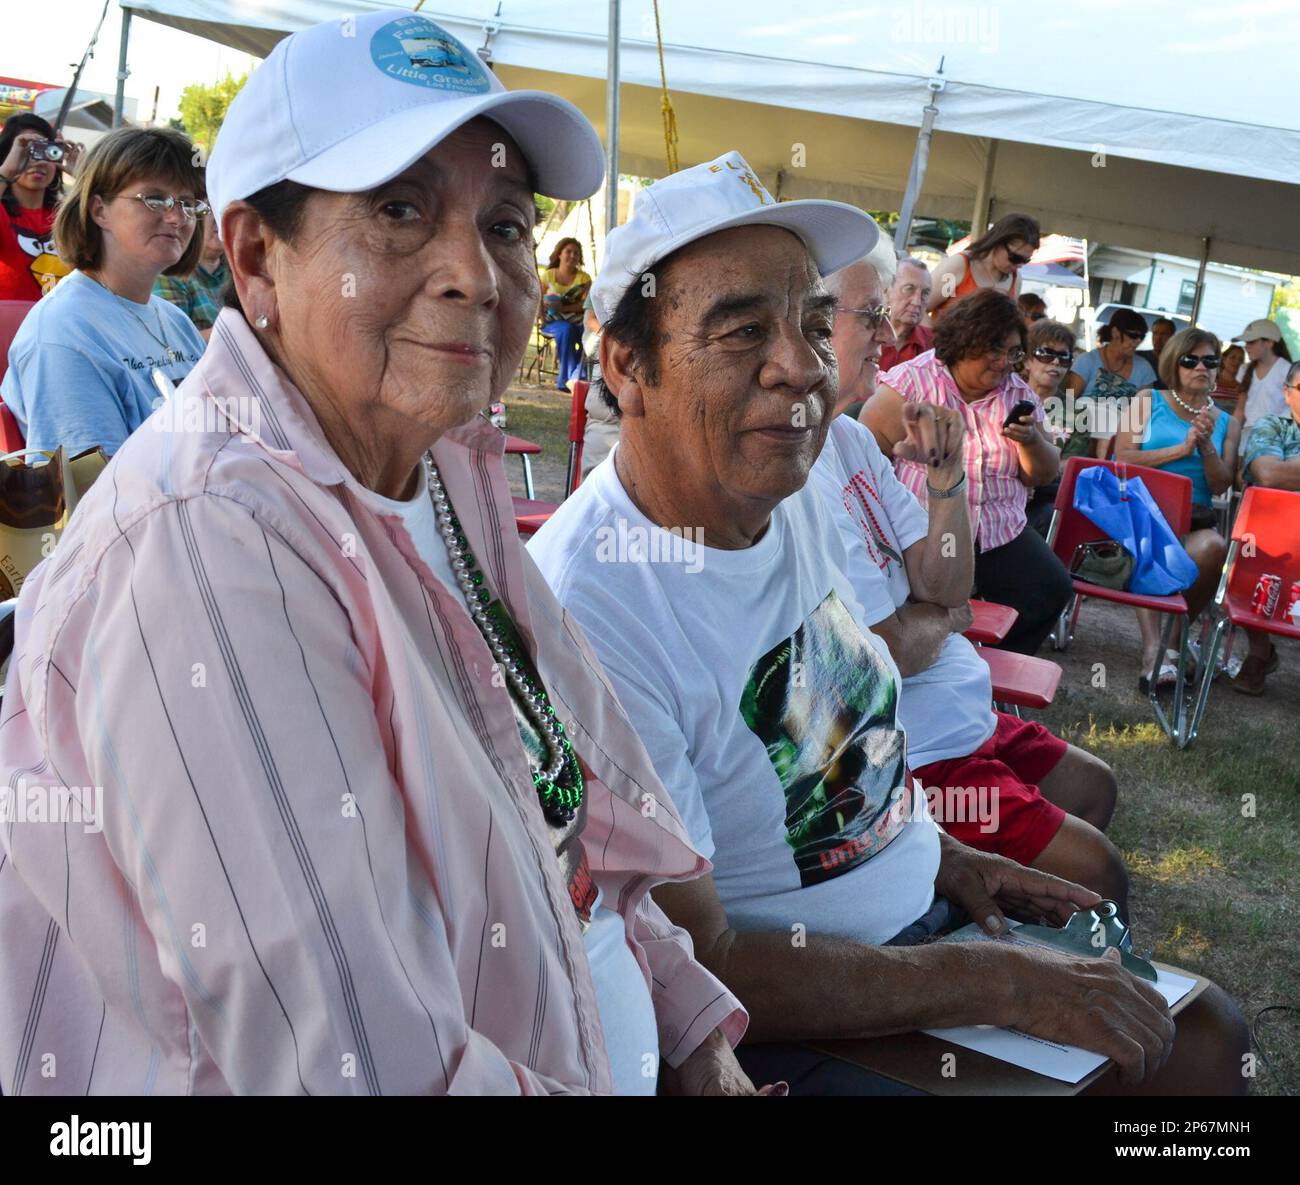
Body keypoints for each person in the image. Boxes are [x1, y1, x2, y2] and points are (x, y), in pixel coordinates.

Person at [0, 13, 757, 1097]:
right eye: (400, 212)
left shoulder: (439, 464)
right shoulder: (213, 545)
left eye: (504, 225)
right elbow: (355, 1068)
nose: (475, 275)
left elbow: (554, 795)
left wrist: (685, 1026)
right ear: (258, 257)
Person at [529, 154, 1247, 1096]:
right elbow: (701, 962)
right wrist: (990, 980)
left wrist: (947, 860)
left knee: (1209, 1039)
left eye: (813, 323)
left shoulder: (787, 495)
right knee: (1180, 1068)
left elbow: (834, 753)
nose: (801, 366)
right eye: (743, 329)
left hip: (920, 925)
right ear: (626, 365)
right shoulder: (593, 602)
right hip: (786, 1015)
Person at [820, 254, 1128, 907]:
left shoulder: (847, 439)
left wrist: (948, 473)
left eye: (1017, 354)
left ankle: (1009, 913)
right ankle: (995, 922)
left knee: (1097, 783)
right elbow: (892, 648)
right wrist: (946, 614)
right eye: (874, 315)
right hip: (920, 746)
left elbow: (956, 578)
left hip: (965, 683)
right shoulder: (891, 402)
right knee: (1098, 870)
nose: (894, 329)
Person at [863, 288, 1071, 655]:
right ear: (964, 341)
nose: (1004, 362)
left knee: (1050, 590)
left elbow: (1039, 475)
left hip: (996, 531)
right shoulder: (914, 381)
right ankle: (932, 662)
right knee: (913, 606)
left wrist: (1030, 441)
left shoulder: (1017, 393)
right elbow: (867, 447)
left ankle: (990, 669)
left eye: (1013, 352)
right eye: (994, 350)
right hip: (923, 530)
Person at [0, 126, 206, 456]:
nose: (176, 217)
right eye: (155, 199)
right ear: (99, 210)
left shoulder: (175, 320)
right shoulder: (63, 332)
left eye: (187, 203)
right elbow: (96, 493)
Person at [1112, 328, 1238, 692]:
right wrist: (1180, 450)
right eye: (1191, 360)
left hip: (1194, 516)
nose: (1201, 367)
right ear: (1174, 363)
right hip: (1141, 509)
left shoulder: (1227, 422)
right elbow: (1123, 457)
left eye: (1210, 361)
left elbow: (1221, 485)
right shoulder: (1146, 400)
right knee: (1154, 540)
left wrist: (1206, 449)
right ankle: (1154, 653)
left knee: (1214, 548)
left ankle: (1172, 641)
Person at [1228, 358, 1300, 694]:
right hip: (1272, 542)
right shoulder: (1273, 426)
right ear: (1287, 393)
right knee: (1246, 555)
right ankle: (1260, 651)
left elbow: (1280, 472)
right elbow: (1268, 474)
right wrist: (1281, 475)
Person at [1022, 318, 1090, 536]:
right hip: (998, 487)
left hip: (1043, 495)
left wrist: (1037, 475)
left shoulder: (1077, 413)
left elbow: (1070, 464)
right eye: (1046, 354)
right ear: (1027, 361)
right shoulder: (1004, 396)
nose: (1055, 363)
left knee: (1052, 515)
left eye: (1064, 357)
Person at [0, 112, 78, 300]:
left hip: (57, 324)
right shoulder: (3, 213)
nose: (40, 161)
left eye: (48, 151)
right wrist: (5, 172)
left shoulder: (67, 215)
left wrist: (84, 175)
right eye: (29, 151)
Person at [1065, 308, 1157, 447]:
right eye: (1133, 335)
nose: (1138, 341)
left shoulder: (1144, 369)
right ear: (1115, 333)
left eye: (1142, 336)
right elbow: (1069, 401)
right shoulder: (1087, 361)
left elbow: (1143, 413)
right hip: (1082, 428)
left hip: (1120, 435)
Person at [927, 212, 1040, 321]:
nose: (1019, 265)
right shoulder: (959, 265)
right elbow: (922, 308)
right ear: (998, 242)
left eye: (1025, 261)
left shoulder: (1015, 280)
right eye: (1016, 258)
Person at [153, 205, 228, 336]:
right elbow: (175, 342)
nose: (218, 217)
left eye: (224, 208)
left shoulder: (238, 273)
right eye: (209, 209)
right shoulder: (170, 274)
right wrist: (238, 333)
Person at [538, 235, 591, 392]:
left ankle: (576, 377)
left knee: (590, 336)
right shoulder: (548, 275)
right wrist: (541, 317)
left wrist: (563, 308)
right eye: (568, 251)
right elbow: (538, 300)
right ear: (560, 254)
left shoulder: (584, 278)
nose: (572, 256)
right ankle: (568, 380)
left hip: (577, 320)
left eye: (576, 253)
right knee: (566, 330)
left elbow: (585, 305)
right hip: (553, 322)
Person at [1233, 318, 1293, 451]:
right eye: (1246, 342)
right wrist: (1231, 436)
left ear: (1270, 342)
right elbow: (1240, 409)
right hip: (1246, 437)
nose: (1246, 346)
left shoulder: (1288, 371)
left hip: (1276, 440)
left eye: (1252, 342)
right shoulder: (1244, 369)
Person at [876, 256, 933, 372]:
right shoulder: (866, 335)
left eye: (925, 293)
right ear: (886, 291)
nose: (917, 301)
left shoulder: (934, 346)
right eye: (909, 289)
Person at [1138, 316, 1176, 389]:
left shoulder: (1177, 362)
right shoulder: (1139, 356)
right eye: (1155, 333)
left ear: (1172, 337)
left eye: (1163, 334)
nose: (1158, 338)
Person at [1213, 342, 1245, 413]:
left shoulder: (1244, 387)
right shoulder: (1212, 380)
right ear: (1224, 359)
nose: (1237, 362)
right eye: (1233, 357)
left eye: (1240, 359)